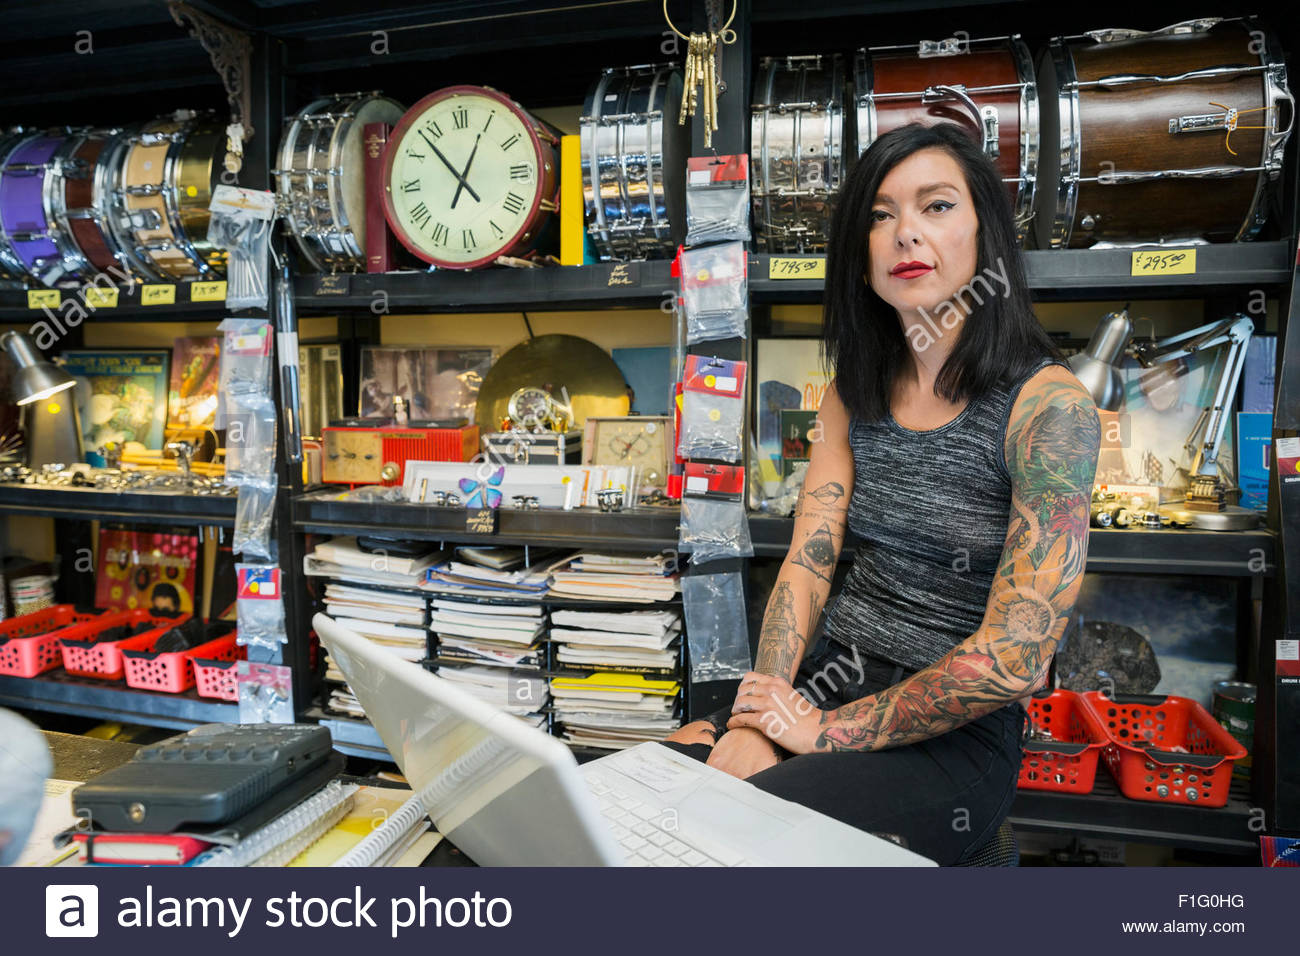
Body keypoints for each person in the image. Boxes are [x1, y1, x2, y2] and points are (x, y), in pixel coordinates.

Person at [662, 122, 1101, 864]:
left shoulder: (1048, 406)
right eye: (880, 214)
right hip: (832, 676)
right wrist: (759, 714)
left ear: (985, 234)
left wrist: (820, 733)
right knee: (649, 783)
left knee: (736, 836)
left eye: (936, 206)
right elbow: (808, 562)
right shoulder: (851, 393)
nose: (905, 233)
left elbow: (1016, 655)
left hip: (955, 735)